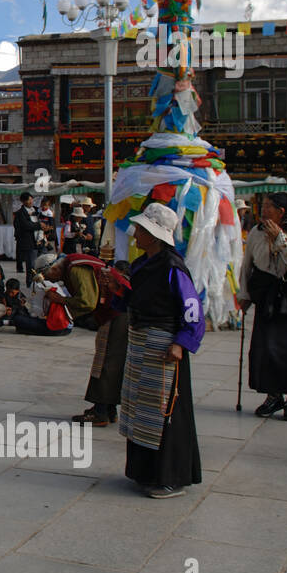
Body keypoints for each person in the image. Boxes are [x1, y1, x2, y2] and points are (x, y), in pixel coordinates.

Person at [117, 203, 205, 499]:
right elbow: (137, 299)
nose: (135, 234)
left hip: (164, 346)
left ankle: (170, 477)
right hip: (142, 342)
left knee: (165, 409)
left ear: (154, 235)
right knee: (142, 407)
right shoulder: (144, 263)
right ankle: (144, 471)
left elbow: (191, 308)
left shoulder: (172, 267)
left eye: (140, 230)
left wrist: (182, 342)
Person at [238, 192, 287, 421]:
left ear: (282, 212)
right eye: (263, 206)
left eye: (269, 207)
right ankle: (273, 395)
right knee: (267, 349)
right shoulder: (256, 233)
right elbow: (247, 266)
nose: (264, 211)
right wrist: (244, 295)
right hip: (267, 295)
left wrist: (281, 240)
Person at [73, 261, 132, 427]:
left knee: (106, 364)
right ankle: (109, 409)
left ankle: (100, 412)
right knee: (112, 364)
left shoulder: (120, 285)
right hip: (117, 320)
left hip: (116, 321)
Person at [12, 253, 74, 336]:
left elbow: (36, 312)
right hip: (68, 325)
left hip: (54, 327)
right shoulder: (55, 283)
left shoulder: (38, 284)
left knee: (18, 319)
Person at [14, 192, 39, 285]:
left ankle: (37, 283)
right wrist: (39, 225)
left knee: (38, 264)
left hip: (37, 241)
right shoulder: (20, 213)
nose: (31, 201)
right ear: (23, 201)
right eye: (29, 199)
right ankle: (30, 283)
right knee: (31, 265)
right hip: (28, 242)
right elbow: (26, 225)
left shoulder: (35, 211)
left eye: (31, 199)